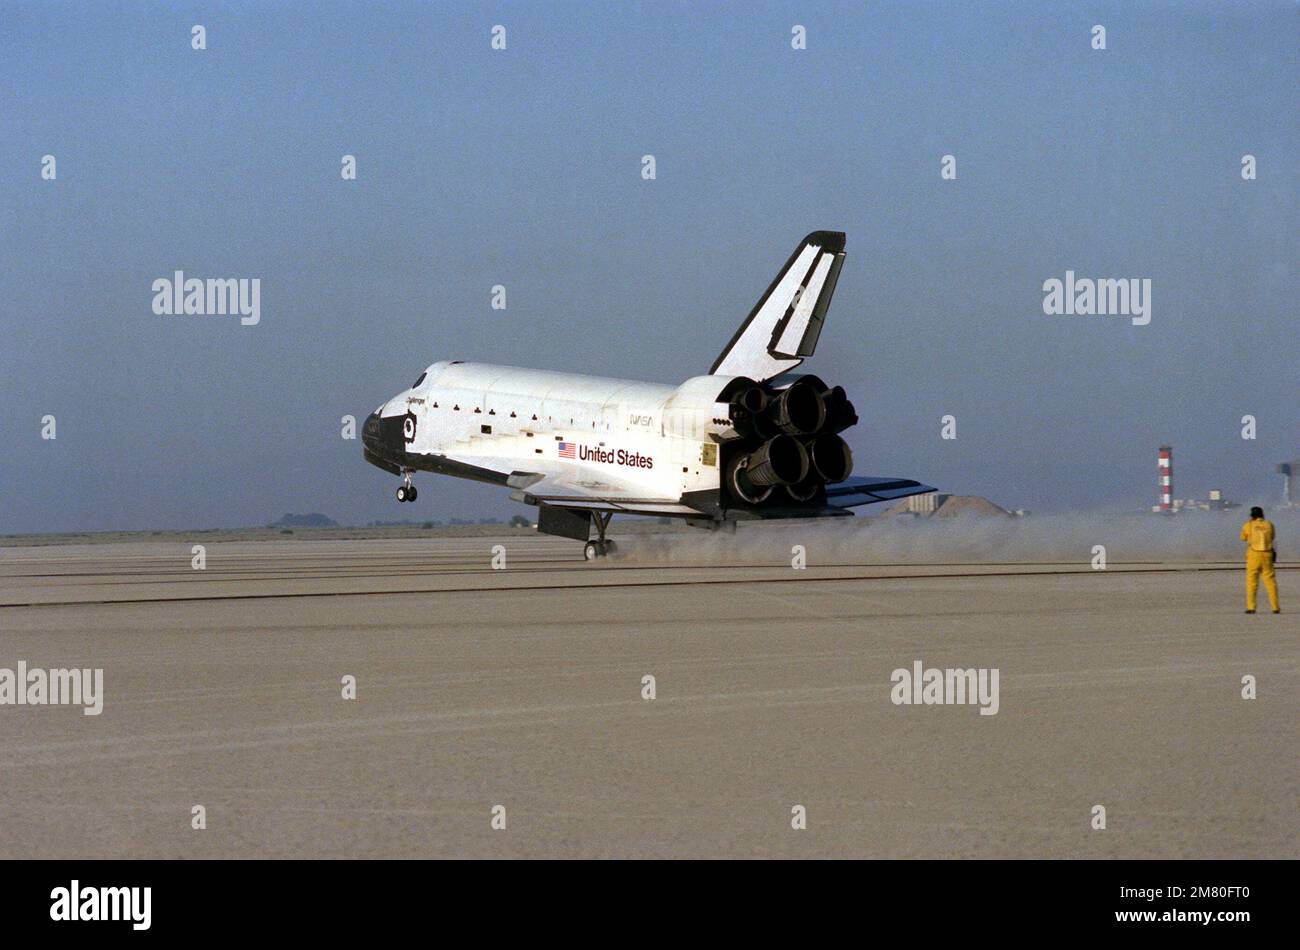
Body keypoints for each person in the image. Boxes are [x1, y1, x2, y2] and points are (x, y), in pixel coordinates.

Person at [1240, 506, 1280, 614]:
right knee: (1270, 582)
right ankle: (1275, 607)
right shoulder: (1269, 524)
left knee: (1252, 582)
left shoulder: (1248, 525)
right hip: (1267, 554)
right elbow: (1272, 537)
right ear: (1262, 514)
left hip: (1254, 555)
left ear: (1252, 516)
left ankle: (1251, 607)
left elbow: (1243, 538)